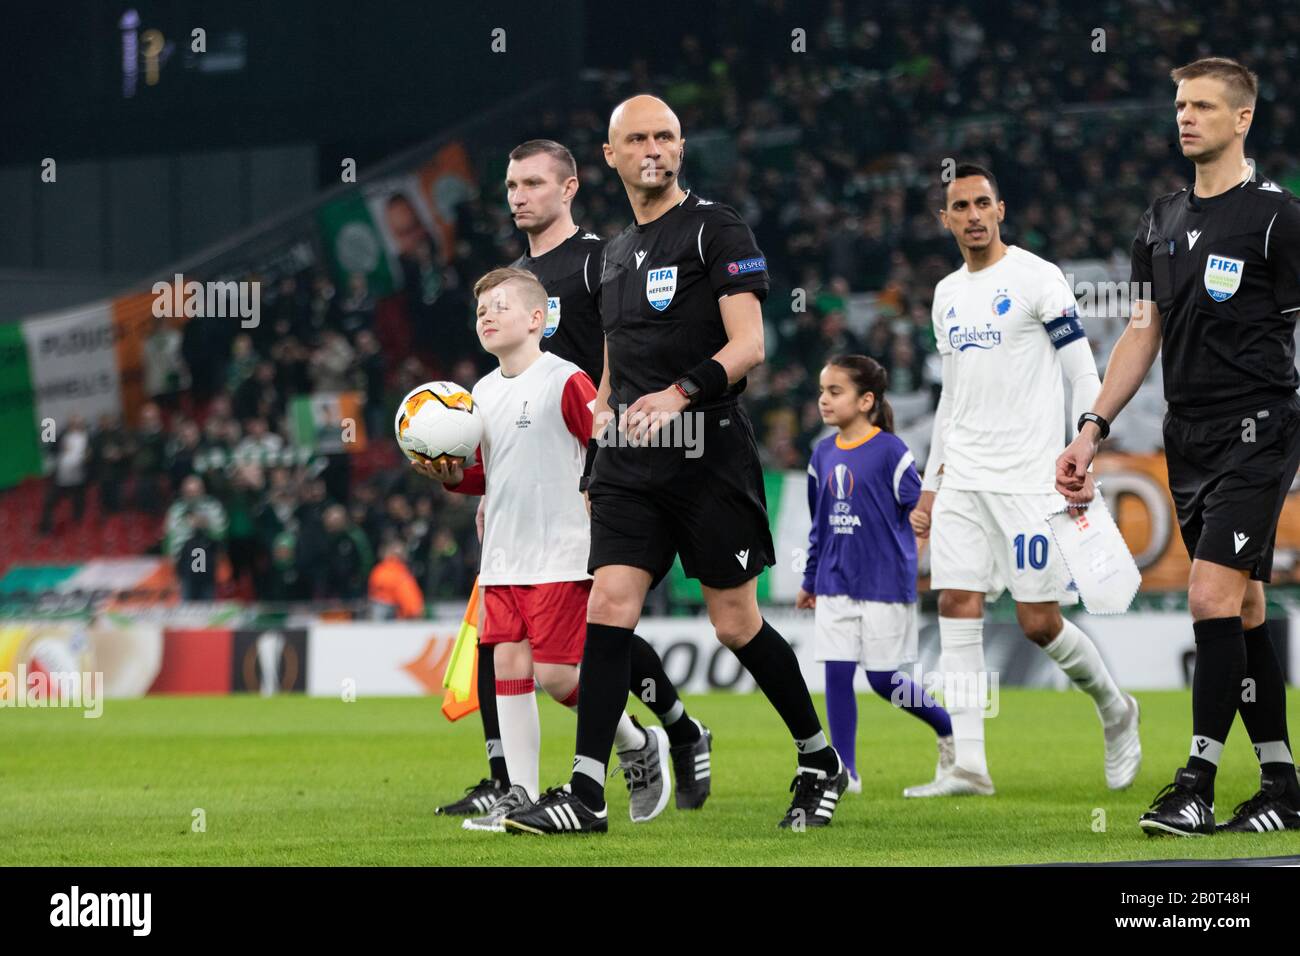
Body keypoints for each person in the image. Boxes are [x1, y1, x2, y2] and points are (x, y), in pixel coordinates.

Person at [504, 95, 847, 836]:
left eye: (664, 136)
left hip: (708, 455)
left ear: (681, 147)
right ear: (611, 155)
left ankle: (819, 758)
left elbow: (750, 344)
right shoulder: (617, 253)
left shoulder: (715, 228)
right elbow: (610, 360)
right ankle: (586, 793)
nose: (651, 148)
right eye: (637, 139)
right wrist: (599, 427)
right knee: (609, 605)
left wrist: (683, 391)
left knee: (734, 623)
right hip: (630, 461)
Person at [1058, 58, 1300, 837]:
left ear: (1242, 120)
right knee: (1247, 605)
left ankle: (1194, 782)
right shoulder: (1159, 219)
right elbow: (1141, 333)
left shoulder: (1276, 217)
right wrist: (1092, 428)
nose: (1185, 117)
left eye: (1201, 105)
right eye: (1179, 104)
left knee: (1207, 597)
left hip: (1259, 427)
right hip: (1185, 436)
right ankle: (1283, 784)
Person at [436, 139, 712, 821]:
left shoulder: (601, 260)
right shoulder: (514, 283)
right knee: (511, 642)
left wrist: (611, 462)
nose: (518, 195)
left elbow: (627, 350)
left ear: (569, 189)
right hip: (526, 476)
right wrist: (483, 480)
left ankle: (670, 728)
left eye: (532, 182)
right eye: (509, 184)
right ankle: (514, 784)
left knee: (597, 628)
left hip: (591, 465)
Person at [909, 162, 1141, 797]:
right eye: (961, 206)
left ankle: (1117, 710)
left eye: (984, 203)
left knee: (1038, 622)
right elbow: (950, 401)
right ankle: (969, 765)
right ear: (946, 219)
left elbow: (1081, 370)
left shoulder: (1039, 278)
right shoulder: (946, 294)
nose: (974, 215)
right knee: (956, 604)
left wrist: (1086, 440)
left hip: (1027, 480)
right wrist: (932, 484)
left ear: (1002, 209)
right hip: (963, 481)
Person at [419, 267, 673, 832]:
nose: (486, 315)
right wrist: (448, 473)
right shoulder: (479, 394)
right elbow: (483, 474)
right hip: (503, 557)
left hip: (561, 550)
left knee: (558, 677)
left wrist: (597, 501)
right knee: (508, 667)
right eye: (480, 308)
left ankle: (636, 742)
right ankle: (522, 793)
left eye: (499, 306)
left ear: (537, 319)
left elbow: (605, 444)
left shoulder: (566, 381)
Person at [796, 356, 954, 795]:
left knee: (884, 681)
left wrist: (920, 527)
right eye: (822, 391)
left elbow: (917, 509)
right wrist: (810, 581)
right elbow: (819, 525)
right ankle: (846, 770)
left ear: (866, 400)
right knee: (837, 674)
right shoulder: (821, 454)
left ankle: (945, 728)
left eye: (835, 391)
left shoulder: (892, 453)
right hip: (834, 582)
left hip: (884, 584)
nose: (824, 399)